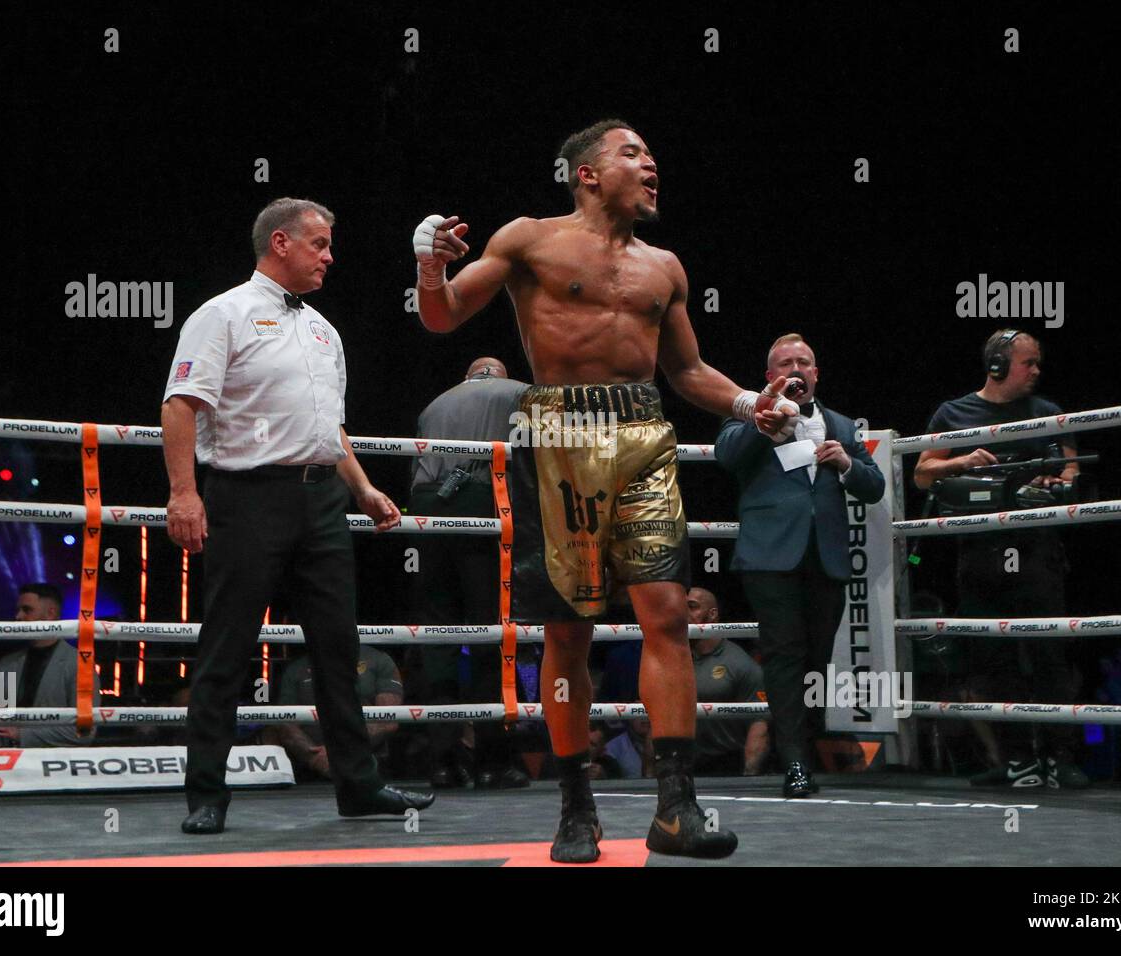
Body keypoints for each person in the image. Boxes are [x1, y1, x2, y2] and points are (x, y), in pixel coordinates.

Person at [413, 119, 786, 861]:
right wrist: (429, 265)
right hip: (559, 437)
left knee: (668, 615)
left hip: (644, 433)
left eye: (652, 154)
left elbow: (685, 372)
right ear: (586, 172)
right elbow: (443, 314)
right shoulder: (529, 239)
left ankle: (676, 808)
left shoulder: (666, 267)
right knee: (567, 631)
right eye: (633, 154)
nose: (651, 165)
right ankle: (574, 808)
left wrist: (750, 403)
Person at [162, 197, 433, 834]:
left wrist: (362, 487)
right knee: (227, 647)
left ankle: (358, 787)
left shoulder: (322, 329)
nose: (330, 257)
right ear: (280, 243)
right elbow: (181, 405)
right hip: (246, 495)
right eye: (319, 244)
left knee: (339, 650)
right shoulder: (221, 314)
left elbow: (328, 426)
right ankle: (206, 794)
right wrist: (183, 493)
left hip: (322, 500)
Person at [913, 329, 1088, 788]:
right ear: (997, 366)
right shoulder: (955, 413)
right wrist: (963, 462)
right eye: (1028, 362)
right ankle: (1017, 759)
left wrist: (1056, 481)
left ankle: (1058, 757)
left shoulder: (1048, 413)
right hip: (980, 552)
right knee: (994, 658)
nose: (1036, 371)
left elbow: (1072, 468)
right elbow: (921, 473)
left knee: (1050, 654)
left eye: (1037, 363)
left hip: (1037, 551)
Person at [715, 334, 884, 796]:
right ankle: (794, 763)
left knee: (817, 661)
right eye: (786, 363)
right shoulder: (752, 412)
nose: (796, 368)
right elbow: (726, 456)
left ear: (816, 373)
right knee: (785, 656)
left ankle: (804, 751)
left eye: (804, 362)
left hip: (825, 556)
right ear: (771, 376)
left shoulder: (842, 425)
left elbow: (874, 487)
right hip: (771, 556)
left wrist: (847, 462)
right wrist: (764, 422)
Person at [409, 357, 531, 790]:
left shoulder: (435, 403)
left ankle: (442, 761)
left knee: (437, 634)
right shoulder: (516, 391)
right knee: (492, 632)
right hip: (481, 502)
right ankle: (495, 759)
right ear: (498, 374)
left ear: (467, 376)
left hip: (424, 507)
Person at [0, 583, 100, 748]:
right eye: (19, 610)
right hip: (6, 764)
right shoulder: (7, 663)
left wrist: (22, 735)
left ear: (50, 613)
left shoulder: (78, 664)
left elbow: (85, 731)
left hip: (55, 767)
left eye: (27, 610)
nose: (18, 616)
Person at [267, 646, 403, 781]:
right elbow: (285, 722)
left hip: (368, 765)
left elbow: (388, 720)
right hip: (313, 768)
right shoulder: (296, 669)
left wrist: (339, 750)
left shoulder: (378, 660)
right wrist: (314, 757)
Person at [685, 587, 770, 776]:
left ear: (712, 614)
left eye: (692, 607)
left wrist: (749, 776)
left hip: (724, 763)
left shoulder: (740, 664)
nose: (685, 614)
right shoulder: (673, 660)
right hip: (682, 761)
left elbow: (759, 724)